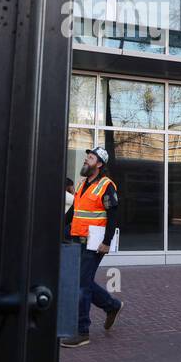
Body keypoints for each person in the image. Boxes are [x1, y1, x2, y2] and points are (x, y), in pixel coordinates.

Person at [60, 146, 122, 348]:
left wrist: (107, 241)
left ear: (100, 164)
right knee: (82, 281)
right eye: (87, 156)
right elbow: (75, 212)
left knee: (81, 285)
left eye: (91, 157)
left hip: (95, 244)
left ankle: (82, 331)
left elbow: (113, 215)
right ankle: (112, 305)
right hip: (77, 239)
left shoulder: (106, 186)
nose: (86, 159)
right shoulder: (81, 184)